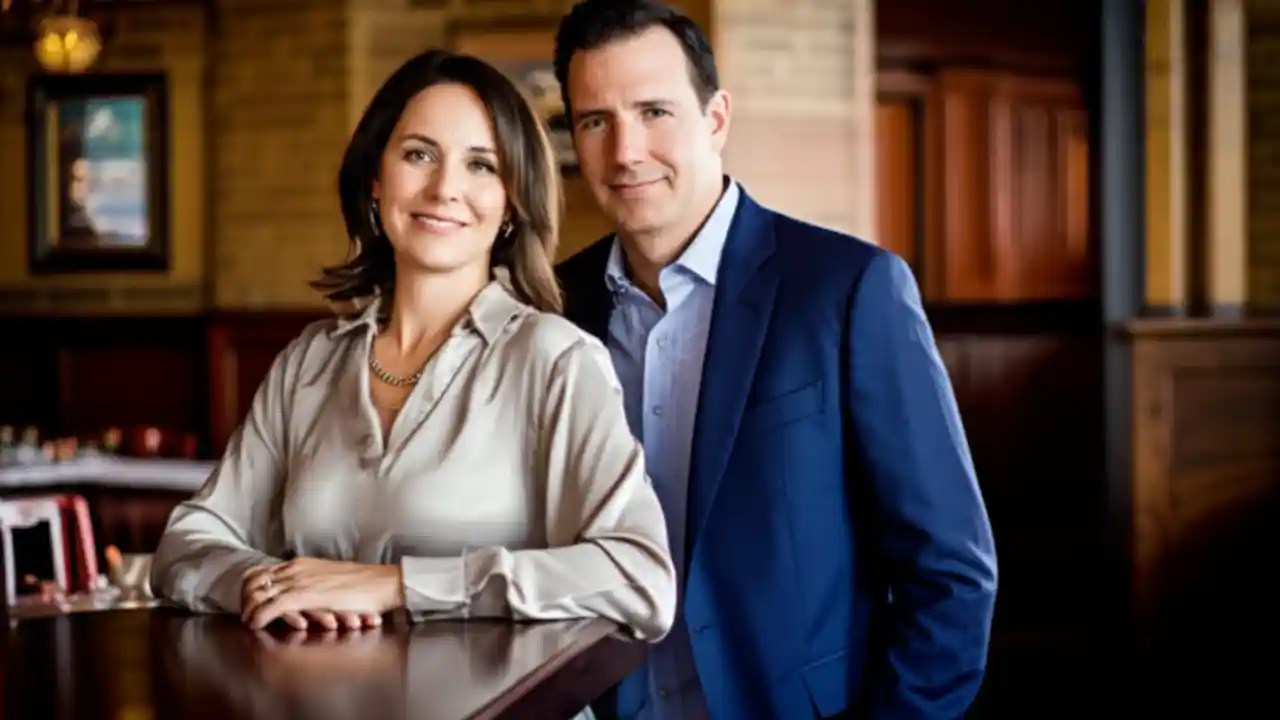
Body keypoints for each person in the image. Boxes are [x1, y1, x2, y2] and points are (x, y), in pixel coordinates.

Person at [552, 2, 999, 718]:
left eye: (655, 111)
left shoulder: (848, 288)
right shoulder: (553, 308)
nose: (625, 150)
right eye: (594, 121)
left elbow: (950, 571)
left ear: (717, 119)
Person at [150, 49, 677, 645]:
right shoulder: (310, 363)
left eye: (481, 165)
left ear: (511, 201)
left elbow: (639, 578)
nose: (445, 187)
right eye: (419, 154)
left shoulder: (555, 360)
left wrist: (398, 585)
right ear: (376, 179)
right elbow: (186, 544)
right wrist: (262, 584)